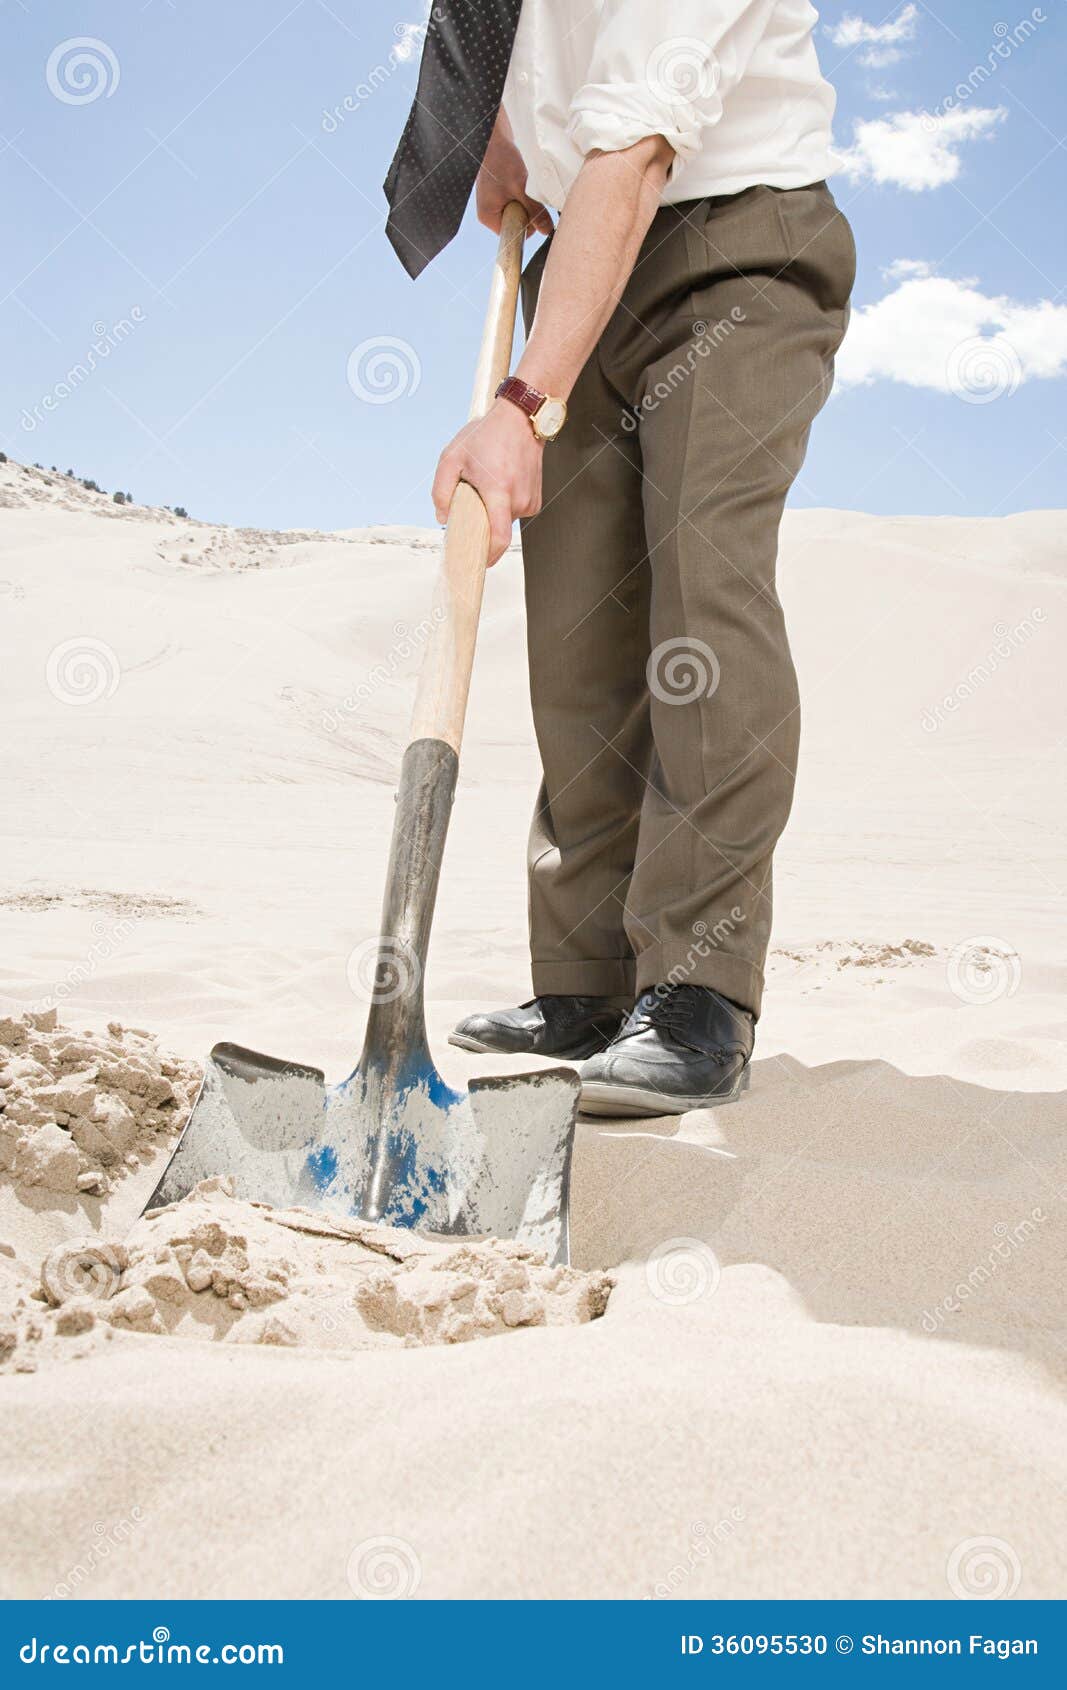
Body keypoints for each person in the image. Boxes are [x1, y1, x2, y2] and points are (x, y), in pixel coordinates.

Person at [384, 1, 855, 1117]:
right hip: (586, 260)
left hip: (737, 241)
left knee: (700, 585)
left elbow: (636, 144)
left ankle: (696, 998)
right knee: (577, 631)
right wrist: (501, 129)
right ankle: (589, 987)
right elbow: (533, 79)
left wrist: (516, 404)